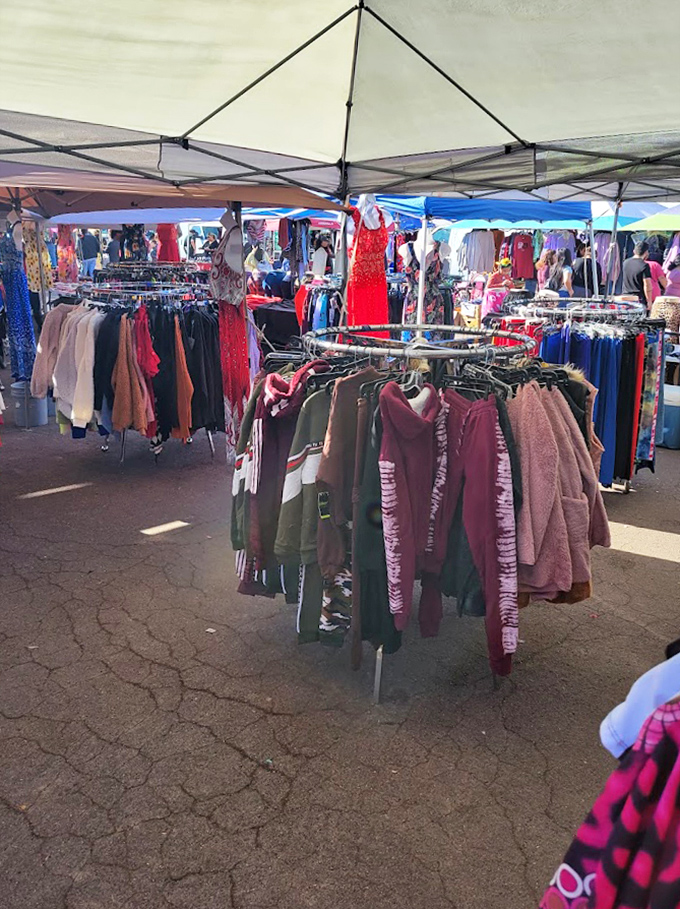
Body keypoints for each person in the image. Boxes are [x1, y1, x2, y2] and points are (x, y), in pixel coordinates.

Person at [622, 240, 653, 308]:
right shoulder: (644, 265)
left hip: (625, 297)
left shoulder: (625, 263)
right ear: (646, 252)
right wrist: (649, 301)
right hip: (638, 299)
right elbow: (647, 285)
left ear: (634, 251)